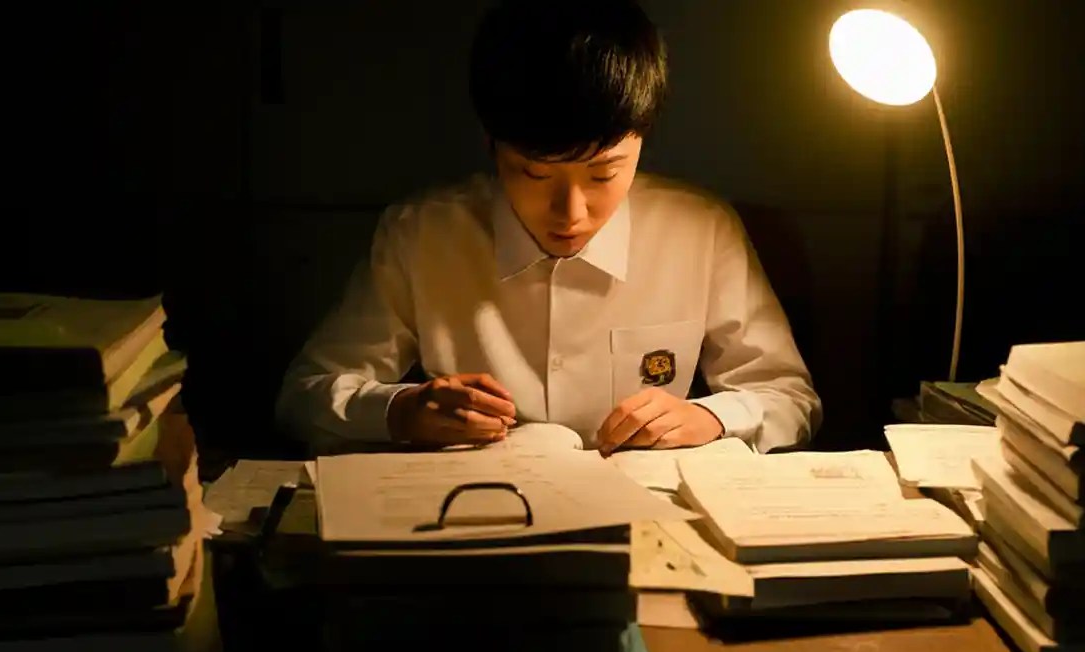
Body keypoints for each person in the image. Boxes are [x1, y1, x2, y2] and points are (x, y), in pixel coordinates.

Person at [276, 0, 820, 457]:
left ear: (641, 144)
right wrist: (401, 410)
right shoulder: (423, 234)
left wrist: (712, 418)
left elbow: (788, 397)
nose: (572, 212)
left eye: (604, 172)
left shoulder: (700, 230)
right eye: (535, 173)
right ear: (492, 145)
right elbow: (305, 396)